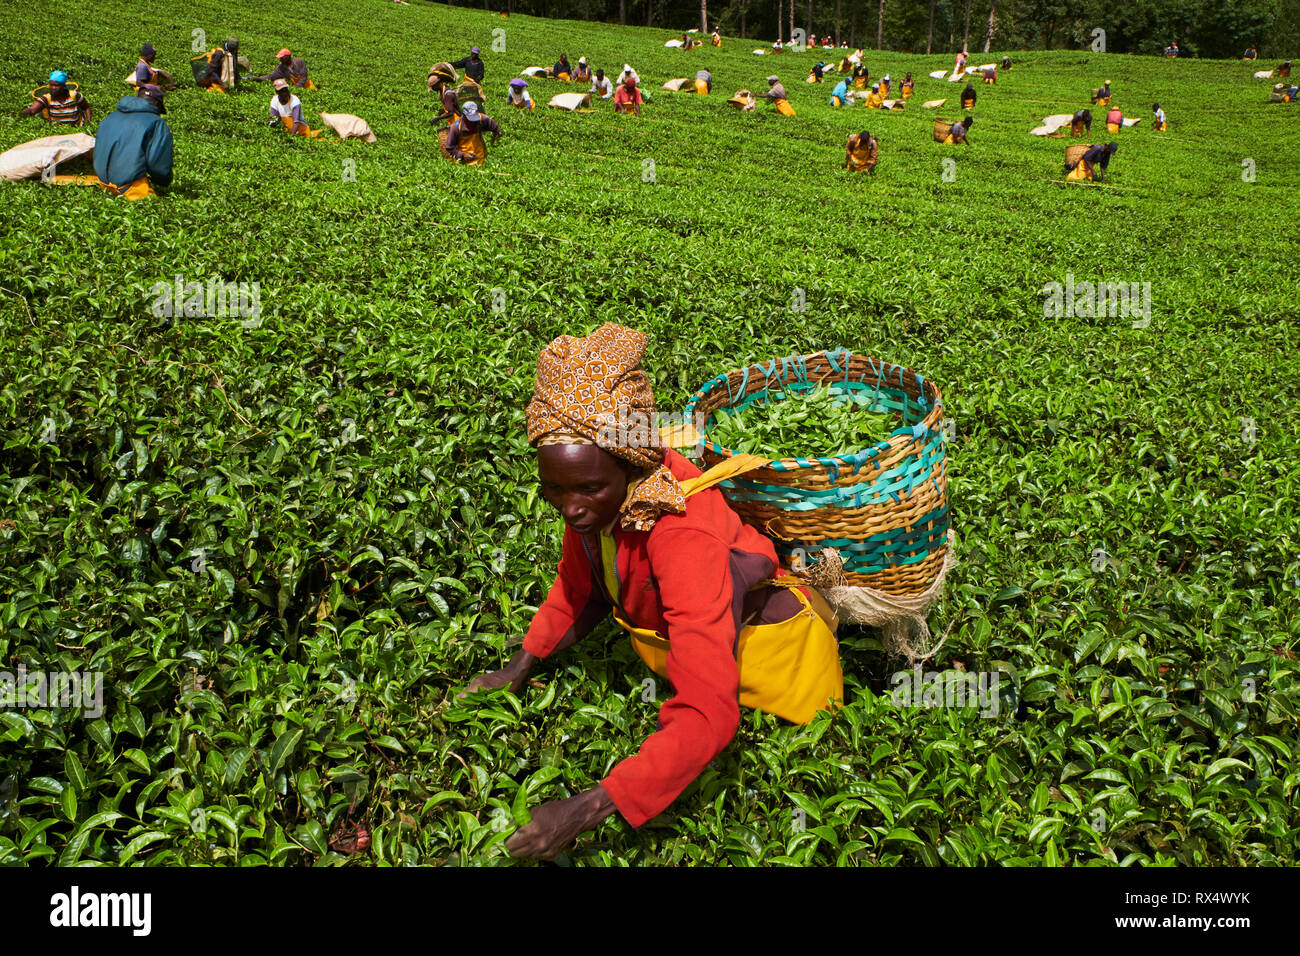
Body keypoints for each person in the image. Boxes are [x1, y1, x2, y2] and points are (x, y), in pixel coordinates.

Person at [461, 324, 844, 861]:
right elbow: (578, 588)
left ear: (630, 465)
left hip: (773, 675)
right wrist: (517, 668)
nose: (570, 508)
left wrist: (587, 807)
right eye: (554, 488)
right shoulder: (597, 503)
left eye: (588, 488)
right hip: (693, 649)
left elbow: (711, 712)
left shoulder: (680, 535)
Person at [93, 83, 172, 198]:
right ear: (156, 103)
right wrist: (164, 181)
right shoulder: (156, 122)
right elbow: (158, 164)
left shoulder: (110, 116)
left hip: (104, 185)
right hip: (130, 188)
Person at [21, 71, 91, 126]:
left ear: (63, 86)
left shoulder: (74, 95)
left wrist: (88, 122)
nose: (53, 88)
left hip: (76, 129)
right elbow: (33, 109)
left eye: (57, 85)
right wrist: (26, 111)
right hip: (57, 132)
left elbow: (86, 107)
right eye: (51, 85)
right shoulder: (47, 98)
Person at [441, 100, 500, 165]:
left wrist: (495, 143)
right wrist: (462, 155)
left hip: (481, 158)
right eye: (471, 118)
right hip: (465, 163)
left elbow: (496, 129)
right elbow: (449, 147)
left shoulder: (482, 119)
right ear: (464, 115)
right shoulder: (456, 127)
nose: (473, 121)